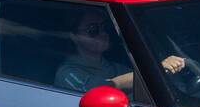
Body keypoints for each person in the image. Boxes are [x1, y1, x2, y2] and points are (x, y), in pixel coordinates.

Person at [56, 8, 185, 94]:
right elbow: (97, 92)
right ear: (74, 36)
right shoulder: (67, 73)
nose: (103, 33)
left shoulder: (117, 68)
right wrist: (155, 70)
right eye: (93, 29)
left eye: (104, 27)